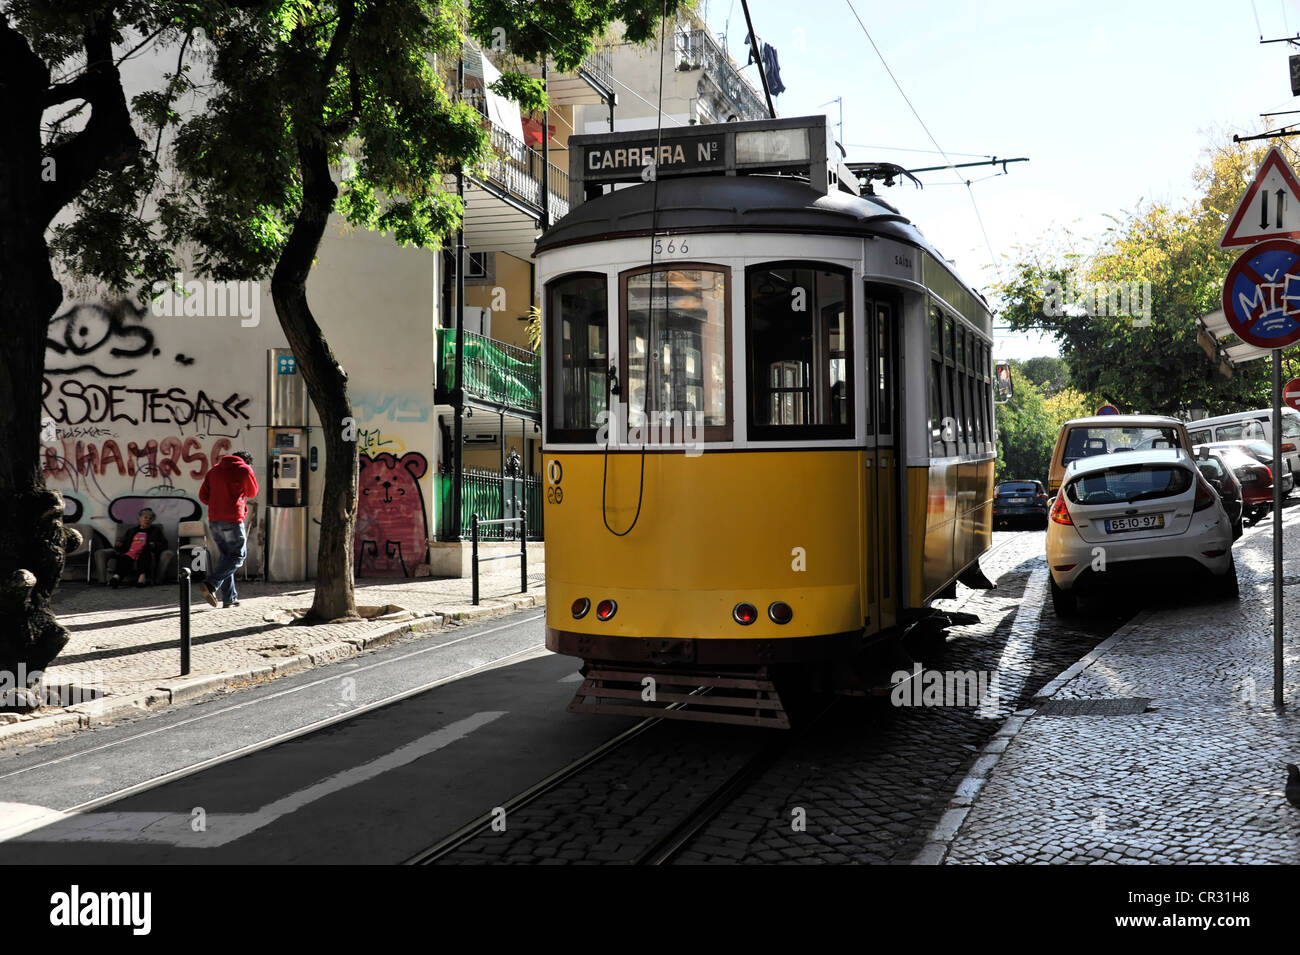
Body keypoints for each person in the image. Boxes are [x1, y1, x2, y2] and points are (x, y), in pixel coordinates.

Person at [199, 450, 259, 608]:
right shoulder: (244, 469)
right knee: (238, 556)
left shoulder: (214, 471)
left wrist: (217, 503)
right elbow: (253, 492)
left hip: (214, 520)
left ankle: (229, 598)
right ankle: (211, 584)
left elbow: (203, 496)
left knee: (227, 557)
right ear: (246, 461)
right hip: (232, 520)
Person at [108, 507, 168, 588]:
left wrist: (155, 545)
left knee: (144, 554)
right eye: (145, 517)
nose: (147, 520)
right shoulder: (131, 530)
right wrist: (119, 544)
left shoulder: (156, 530)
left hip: (146, 551)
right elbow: (122, 541)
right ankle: (116, 578)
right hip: (131, 552)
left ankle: (142, 578)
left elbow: (164, 544)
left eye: (150, 518)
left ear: (152, 521)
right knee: (125, 557)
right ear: (140, 519)